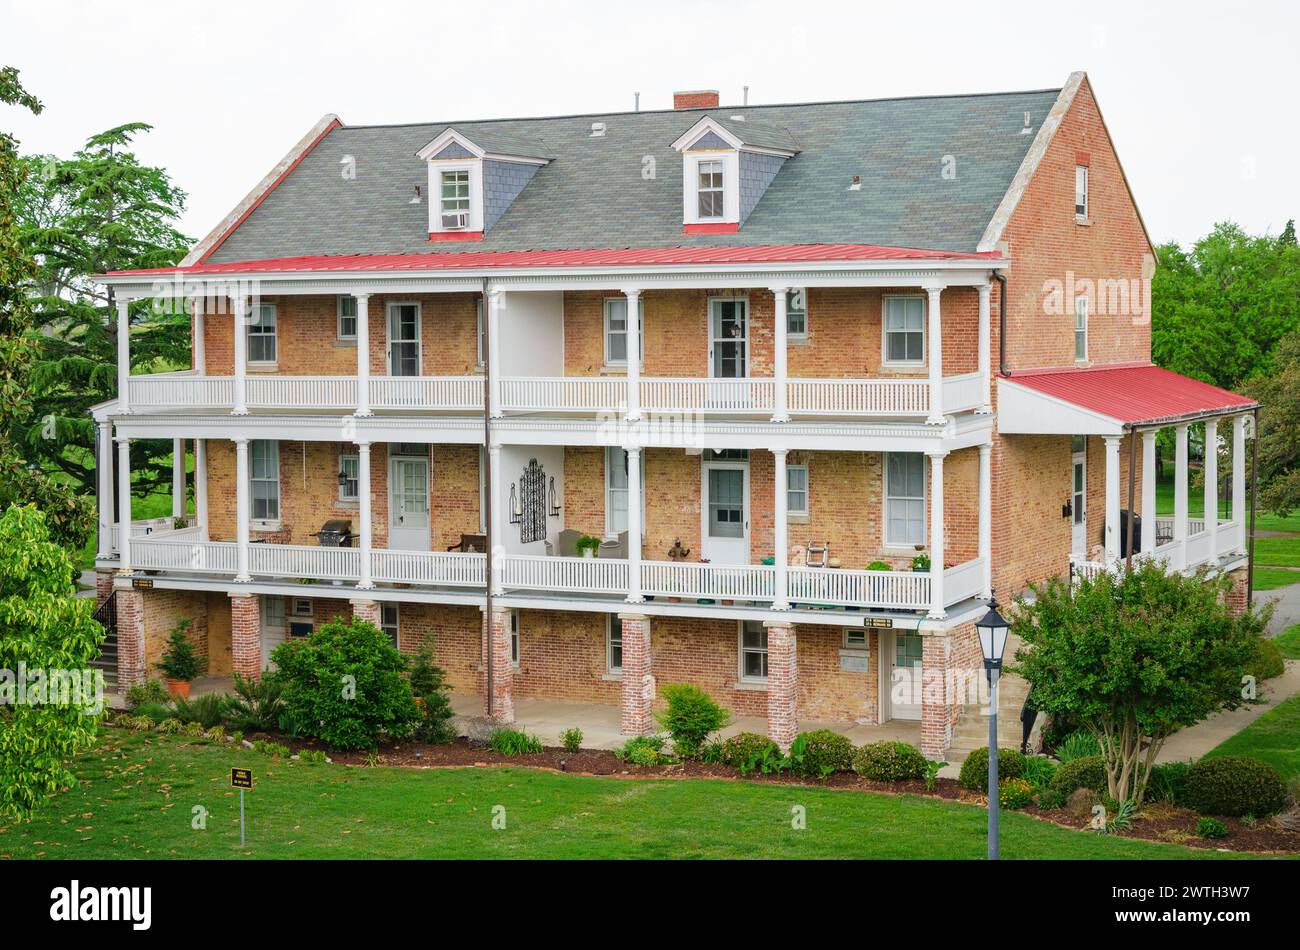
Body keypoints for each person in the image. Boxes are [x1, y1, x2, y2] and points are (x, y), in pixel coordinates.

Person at [1019, 684, 1039, 755]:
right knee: (1026, 731)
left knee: (1027, 731)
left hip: (1031, 715)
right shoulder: (1032, 695)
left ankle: (1024, 746)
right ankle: (1024, 745)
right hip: (1028, 715)